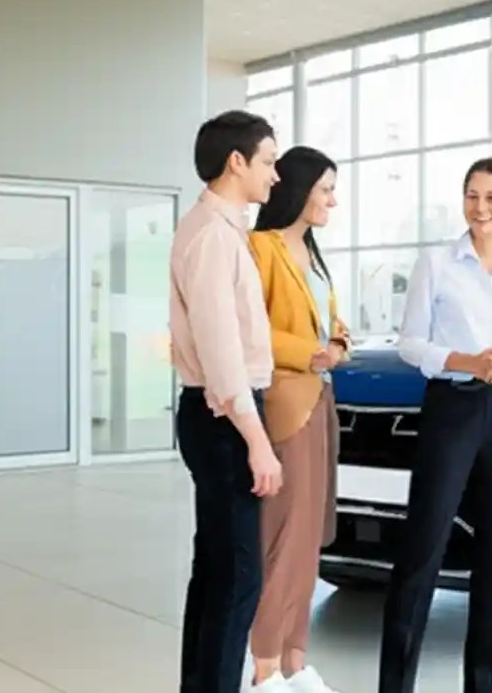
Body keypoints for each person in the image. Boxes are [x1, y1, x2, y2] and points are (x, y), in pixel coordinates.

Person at [378, 157, 492, 693]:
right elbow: (410, 343)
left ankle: (482, 685)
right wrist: (468, 362)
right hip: (453, 406)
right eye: (472, 195)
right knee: (422, 546)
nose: (481, 207)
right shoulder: (438, 262)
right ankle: (395, 685)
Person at [170, 110, 284, 693]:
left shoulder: (212, 229)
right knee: (238, 575)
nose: (275, 175)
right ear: (235, 162)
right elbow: (221, 352)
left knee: (215, 570)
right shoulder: (214, 236)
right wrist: (258, 443)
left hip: (213, 414)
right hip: (225, 419)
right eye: (267, 160)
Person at [244, 146, 351, 693]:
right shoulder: (260, 247)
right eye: (326, 188)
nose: (333, 199)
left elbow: (333, 322)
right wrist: (309, 353)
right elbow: (251, 328)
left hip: (322, 402)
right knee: (284, 538)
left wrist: (337, 341)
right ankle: (264, 666)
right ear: (302, 188)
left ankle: (294, 660)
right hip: (288, 405)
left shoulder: (312, 253)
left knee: (311, 538)